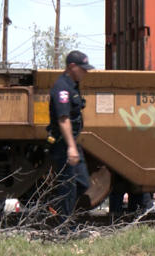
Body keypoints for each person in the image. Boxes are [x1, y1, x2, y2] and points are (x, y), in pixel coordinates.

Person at [47, 50, 94, 219]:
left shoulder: (72, 86)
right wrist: (71, 147)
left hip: (72, 142)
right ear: (72, 67)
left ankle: (54, 205)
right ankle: (64, 227)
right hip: (64, 143)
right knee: (68, 185)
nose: (86, 72)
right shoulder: (62, 88)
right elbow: (63, 119)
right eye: (83, 68)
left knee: (83, 183)